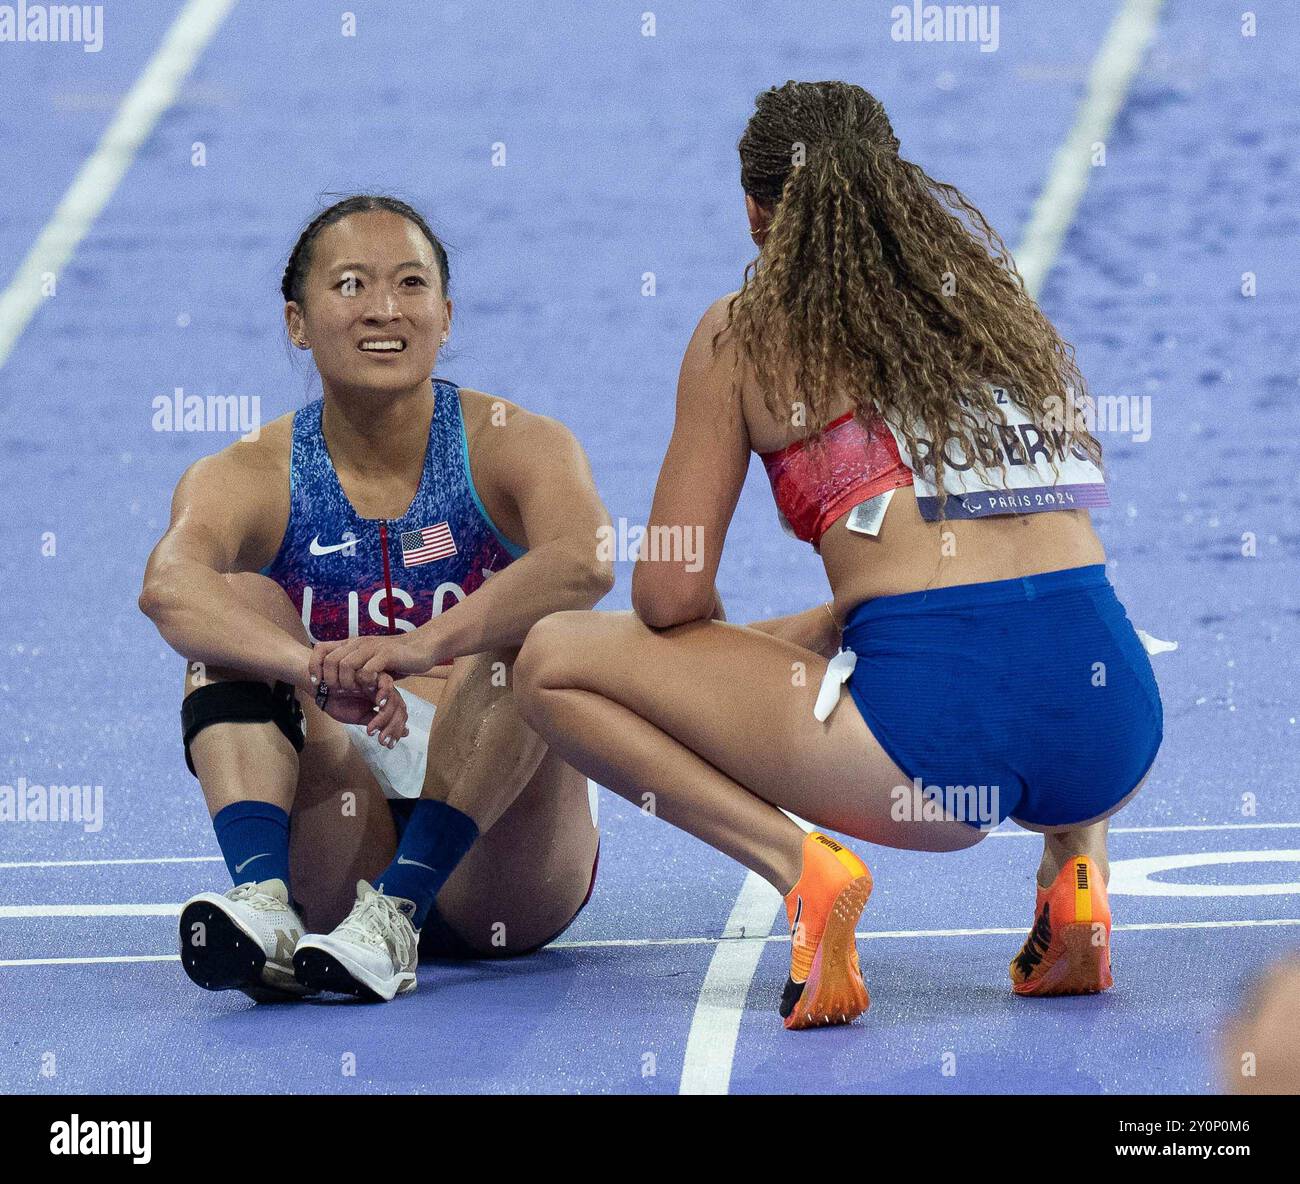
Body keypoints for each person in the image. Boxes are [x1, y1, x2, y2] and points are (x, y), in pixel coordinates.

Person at [509, 81, 1164, 1029]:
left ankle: (802, 872)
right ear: (896, 187)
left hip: (929, 761)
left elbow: (668, 597)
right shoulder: (990, 311)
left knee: (554, 661)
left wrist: (776, 648)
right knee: (1037, 623)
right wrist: (841, 622)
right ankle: (1076, 871)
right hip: (1116, 729)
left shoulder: (743, 332)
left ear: (754, 213)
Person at [139, 195, 612, 1002]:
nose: (384, 310)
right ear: (297, 322)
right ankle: (263, 902)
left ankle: (400, 911)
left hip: (501, 863)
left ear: (447, 314)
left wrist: (422, 647)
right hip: (343, 840)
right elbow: (169, 588)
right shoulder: (251, 471)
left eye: (410, 285)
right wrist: (311, 666)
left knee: (534, 634)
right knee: (233, 608)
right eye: (351, 285)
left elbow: (588, 561)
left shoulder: (515, 442)